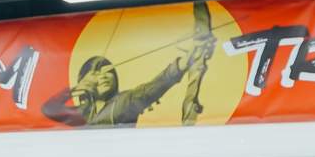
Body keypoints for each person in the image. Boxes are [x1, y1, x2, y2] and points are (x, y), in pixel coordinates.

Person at [42, 37, 215, 128]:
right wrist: (73, 90)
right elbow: (49, 110)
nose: (105, 76)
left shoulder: (125, 102)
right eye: (96, 73)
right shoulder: (84, 113)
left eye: (109, 73)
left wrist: (184, 62)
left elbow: (156, 85)